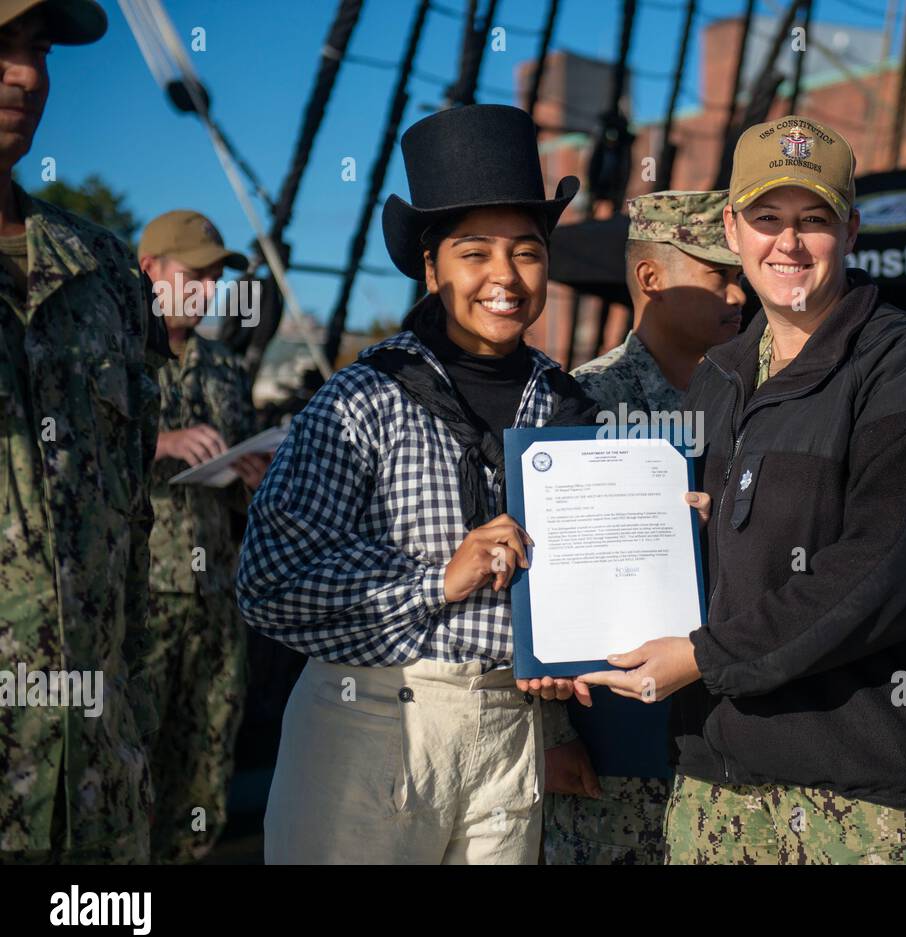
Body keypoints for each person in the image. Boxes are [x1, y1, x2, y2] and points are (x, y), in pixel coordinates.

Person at [579, 115, 906, 864]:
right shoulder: (718, 377)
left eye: (815, 220)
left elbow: (883, 571)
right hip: (714, 797)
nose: (789, 243)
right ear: (733, 230)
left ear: (853, 229)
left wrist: (705, 655)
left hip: (867, 810)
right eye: (768, 218)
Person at [236, 104, 592, 864]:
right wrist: (438, 578)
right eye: (475, 253)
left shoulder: (570, 406)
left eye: (527, 251)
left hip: (511, 731)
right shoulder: (361, 400)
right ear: (432, 268)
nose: (505, 277)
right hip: (371, 719)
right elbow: (267, 581)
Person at [0, 0, 172, 863]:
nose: (26, 75)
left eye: (34, 51)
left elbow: (131, 522)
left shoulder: (100, 269)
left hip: (97, 789)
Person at [543, 189, 743, 864]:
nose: (739, 293)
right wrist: (552, 732)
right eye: (720, 274)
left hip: (739, 735)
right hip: (619, 743)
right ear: (652, 279)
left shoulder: (768, 399)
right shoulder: (580, 402)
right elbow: (546, 579)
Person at [136, 210, 264, 863]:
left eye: (217, 279)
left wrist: (253, 475)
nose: (208, 291)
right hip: (136, 598)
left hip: (216, 592)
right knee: (130, 761)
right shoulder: (108, 351)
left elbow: (244, 491)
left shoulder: (222, 366)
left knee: (208, 760)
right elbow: (66, 455)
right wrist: (161, 441)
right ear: (149, 268)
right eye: (195, 275)